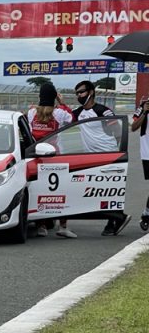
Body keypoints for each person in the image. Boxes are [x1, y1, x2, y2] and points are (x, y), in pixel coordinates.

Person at [72, 80, 131, 235]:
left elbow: (118, 131)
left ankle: (115, 220)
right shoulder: (77, 113)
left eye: (81, 92)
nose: (79, 95)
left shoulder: (103, 111)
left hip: (108, 155)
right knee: (94, 192)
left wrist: (117, 154)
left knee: (110, 191)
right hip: (90, 158)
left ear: (91, 92)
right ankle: (117, 218)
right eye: (77, 93)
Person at [27, 82, 75, 238]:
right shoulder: (59, 113)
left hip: (37, 158)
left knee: (39, 191)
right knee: (62, 191)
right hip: (56, 158)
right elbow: (72, 118)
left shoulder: (31, 112)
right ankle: (63, 226)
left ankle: (41, 226)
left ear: (39, 96)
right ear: (54, 96)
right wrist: (62, 103)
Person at [133, 96, 149, 224]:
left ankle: (147, 212)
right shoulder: (143, 106)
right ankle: (147, 213)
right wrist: (144, 112)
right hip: (148, 153)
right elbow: (133, 127)